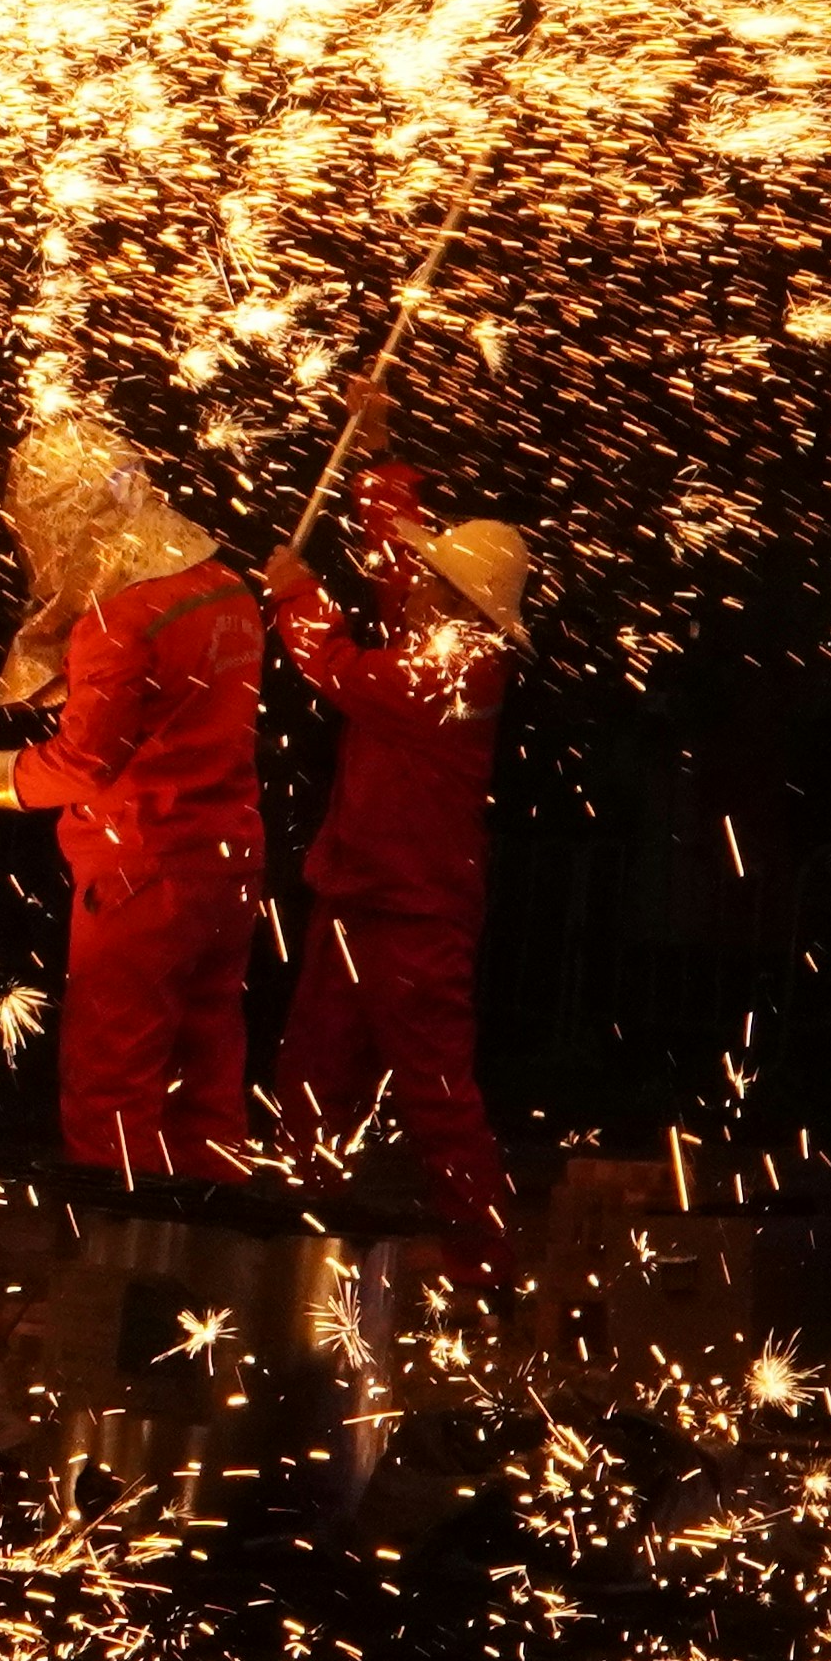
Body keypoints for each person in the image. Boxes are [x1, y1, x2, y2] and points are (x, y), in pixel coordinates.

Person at [0, 414, 266, 1192]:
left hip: (142, 876)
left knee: (114, 1089)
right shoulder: (224, 586)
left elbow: (82, 766)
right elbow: (177, 705)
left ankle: (114, 1280)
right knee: (208, 1087)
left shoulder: (118, 617)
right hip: (230, 866)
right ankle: (216, 1270)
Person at [263, 382, 533, 1281]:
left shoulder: (458, 671)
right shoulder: (440, 634)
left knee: (435, 1094)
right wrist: (376, 451)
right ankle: (301, 1229)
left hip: (415, 915)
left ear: (459, 602)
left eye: (432, 578)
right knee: (313, 1075)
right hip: (362, 895)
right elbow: (391, 562)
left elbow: (339, 667)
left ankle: (484, 1254)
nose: (412, 581)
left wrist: (294, 599)